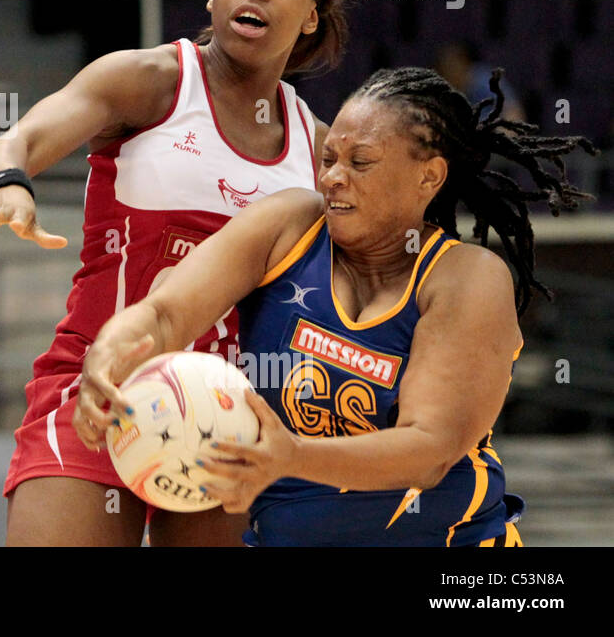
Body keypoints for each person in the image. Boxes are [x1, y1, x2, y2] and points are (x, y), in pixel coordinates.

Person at [0, 0, 356, 546]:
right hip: (96, 379)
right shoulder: (150, 81)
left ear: (311, 14)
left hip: (224, 408)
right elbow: (13, 142)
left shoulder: (315, 146)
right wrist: (8, 187)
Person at [74, 67, 595, 546]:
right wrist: (109, 352)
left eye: (359, 162)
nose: (331, 178)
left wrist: (290, 457)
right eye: (328, 159)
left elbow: (429, 450)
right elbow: (164, 314)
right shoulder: (288, 226)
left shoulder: (467, 278)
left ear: (429, 177)